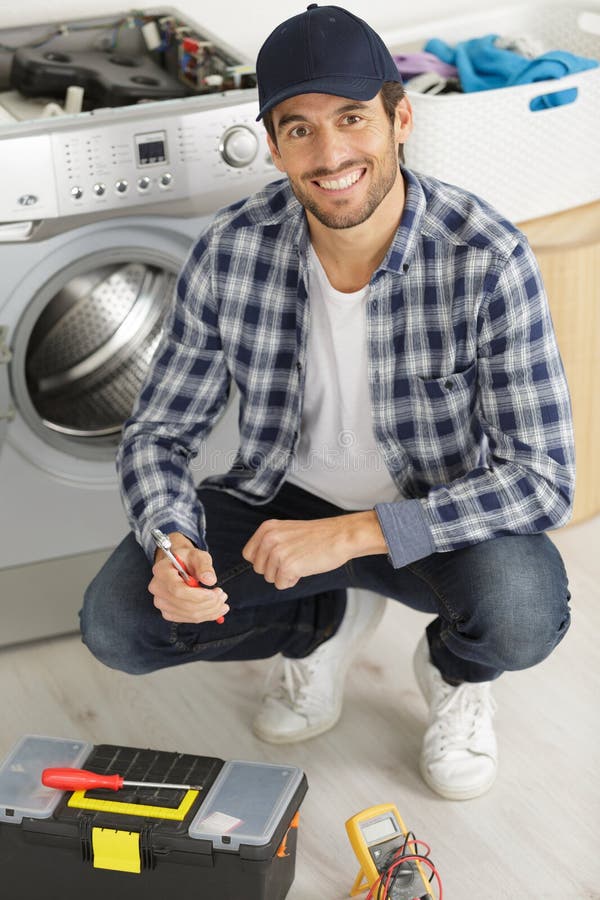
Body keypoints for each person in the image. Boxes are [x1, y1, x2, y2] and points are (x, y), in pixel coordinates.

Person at [81, 4, 574, 801]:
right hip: (282, 505)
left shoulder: (485, 256)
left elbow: (545, 480)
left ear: (400, 117)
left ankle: (456, 670)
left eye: (352, 118)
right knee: (119, 624)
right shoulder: (233, 247)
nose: (332, 152)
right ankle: (321, 627)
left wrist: (357, 534)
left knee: (520, 612)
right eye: (299, 128)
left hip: (435, 514)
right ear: (272, 146)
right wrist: (172, 539)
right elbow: (158, 433)